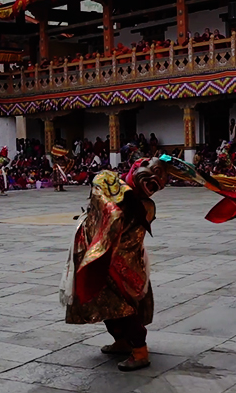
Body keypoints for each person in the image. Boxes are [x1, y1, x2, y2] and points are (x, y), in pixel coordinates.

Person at [61, 159, 170, 371]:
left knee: (123, 308)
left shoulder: (145, 206)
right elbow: (100, 188)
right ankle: (121, 342)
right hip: (105, 258)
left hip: (119, 263)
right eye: (152, 172)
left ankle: (140, 351)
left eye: (159, 181)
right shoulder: (111, 183)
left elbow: (117, 221)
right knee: (106, 306)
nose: (155, 181)